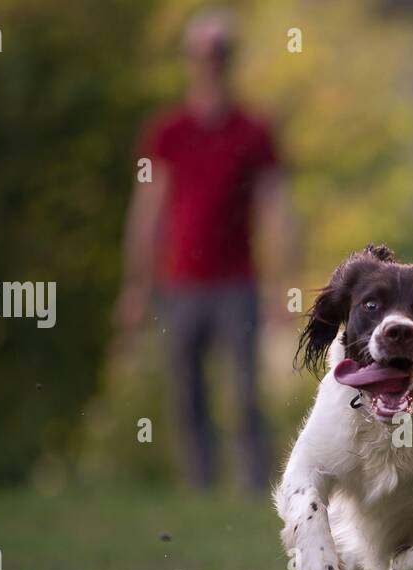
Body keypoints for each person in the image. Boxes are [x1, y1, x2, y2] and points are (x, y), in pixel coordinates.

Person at [116, 8, 297, 492]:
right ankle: (199, 491)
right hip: (180, 285)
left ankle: (257, 492)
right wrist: (136, 287)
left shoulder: (254, 132)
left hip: (237, 282)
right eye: (202, 53)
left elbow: (276, 211)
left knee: (244, 394)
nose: (210, 63)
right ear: (189, 60)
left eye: (219, 53)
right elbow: (147, 212)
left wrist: (283, 288)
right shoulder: (168, 133)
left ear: (229, 60)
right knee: (187, 396)